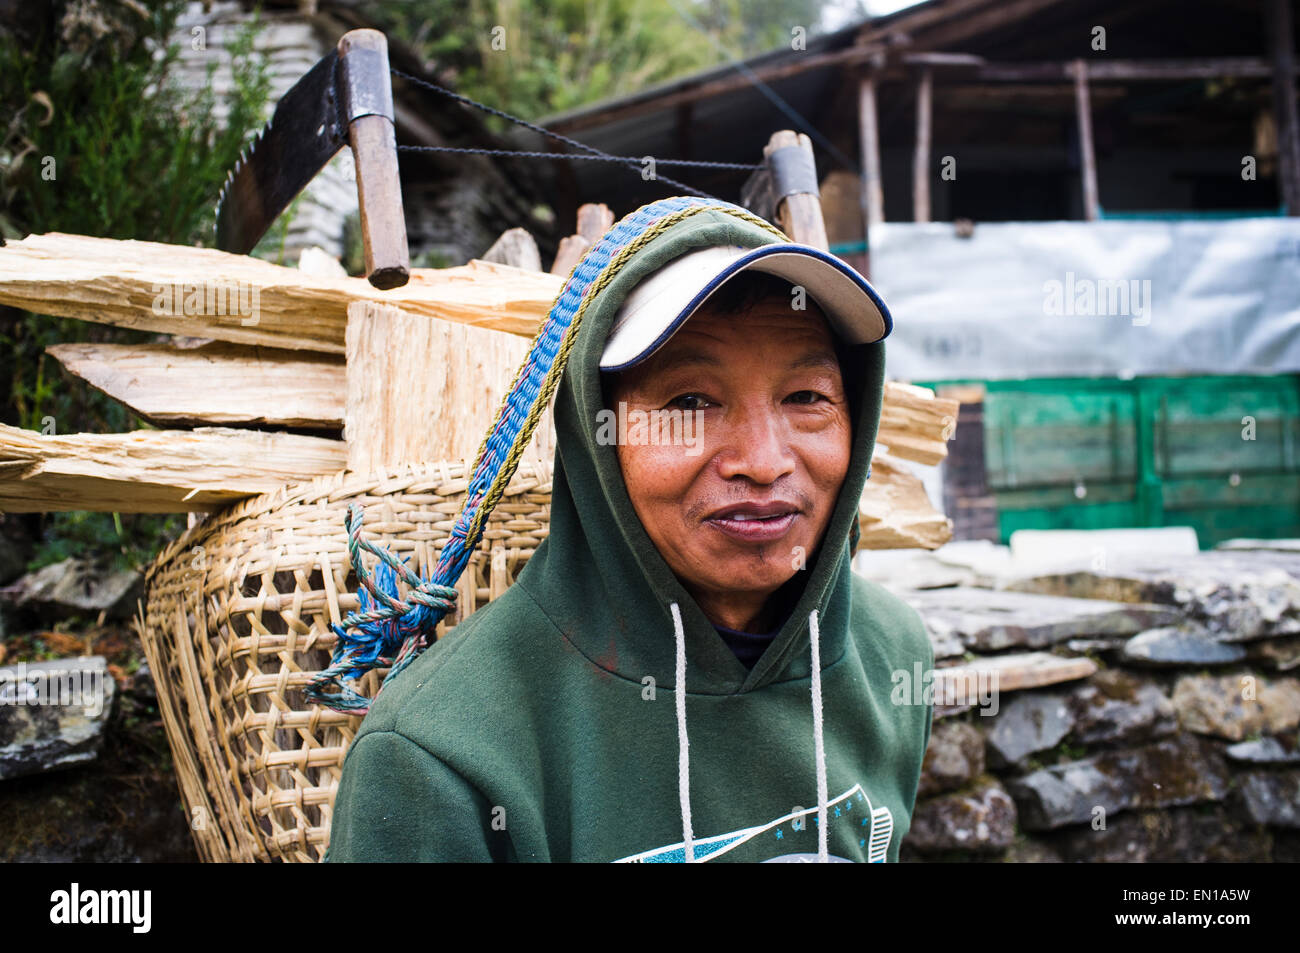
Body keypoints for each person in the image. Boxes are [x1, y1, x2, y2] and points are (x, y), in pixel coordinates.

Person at [324, 198, 933, 863]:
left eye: (807, 397)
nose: (763, 460)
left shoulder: (889, 656)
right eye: (690, 402)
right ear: (597, 433)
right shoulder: (439, 758)